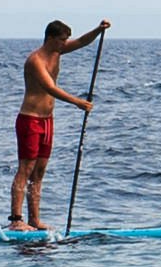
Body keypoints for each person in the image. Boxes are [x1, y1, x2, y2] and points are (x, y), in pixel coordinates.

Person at [11, 18, 109, 231]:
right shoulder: (35, 61)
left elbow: (83, 41)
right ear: (51, 39)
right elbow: (50, 88)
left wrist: (99, 30)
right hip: (30, 120)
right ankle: (16, 220)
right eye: (62, 40)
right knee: (26, 169)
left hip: (47, 121)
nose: (66, 44)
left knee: (39, 171)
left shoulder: (57, 52)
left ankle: (34, 220)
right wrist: (78, 102)